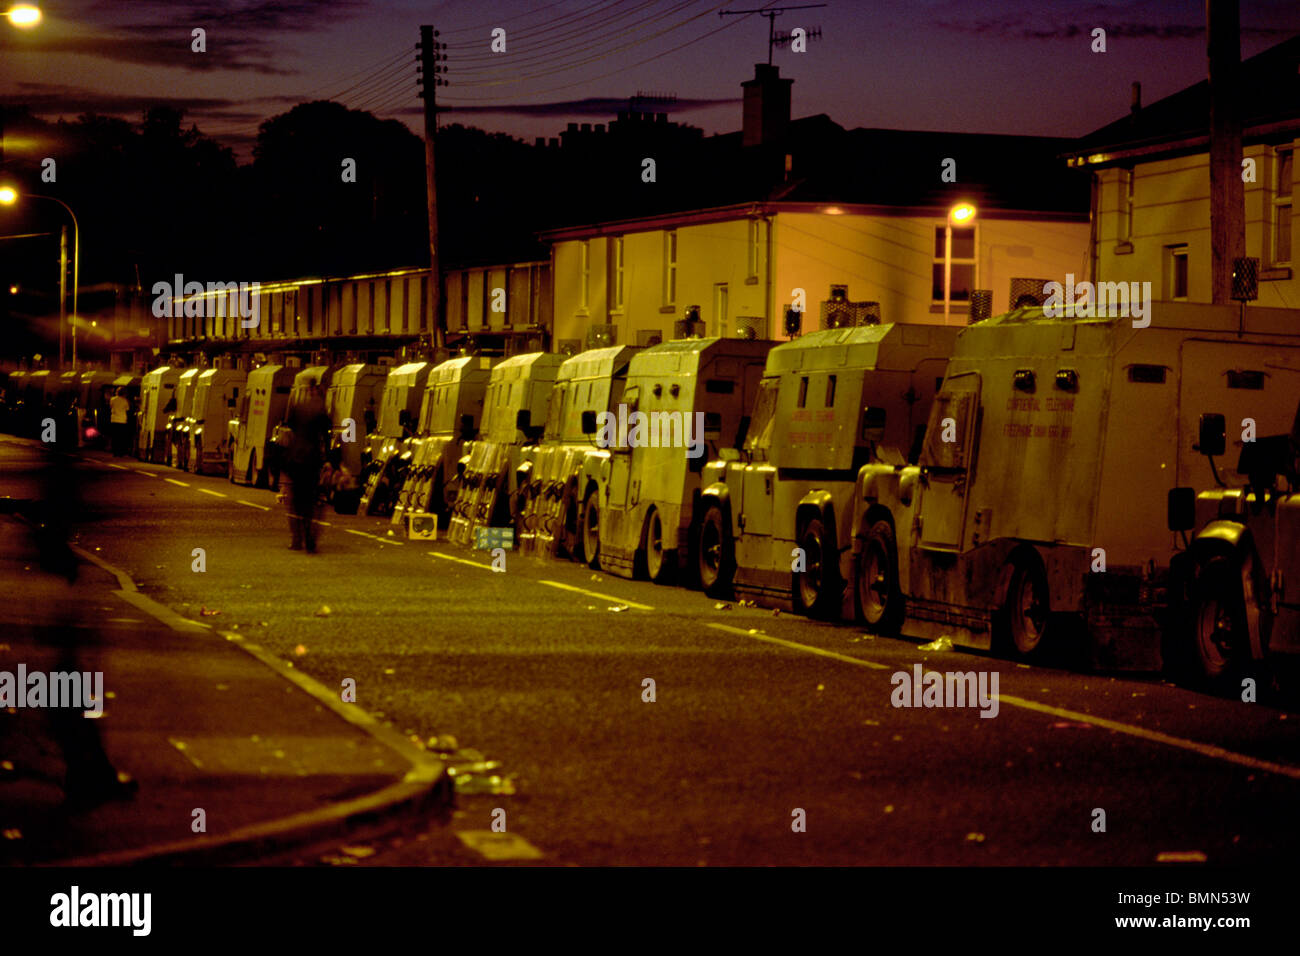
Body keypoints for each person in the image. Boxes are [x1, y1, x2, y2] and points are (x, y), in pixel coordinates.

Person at [283, 380, 332, 552]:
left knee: (294, 500)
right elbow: (326, 437)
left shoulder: (298, 407)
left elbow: (289, 428)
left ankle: (297, 539)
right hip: (312, 460)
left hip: (296, 459)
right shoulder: (322, 411)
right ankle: (311, 538)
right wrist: (328, 460)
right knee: (313, 501)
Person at [109, 388, 130, 456]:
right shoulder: (125, 401)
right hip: (122, 420)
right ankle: (120, 452)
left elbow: (110, 406)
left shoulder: (112, 399)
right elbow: (127, 409)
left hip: (114, 419)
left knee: (114, 437)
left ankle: (115, 452)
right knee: (121, 437)